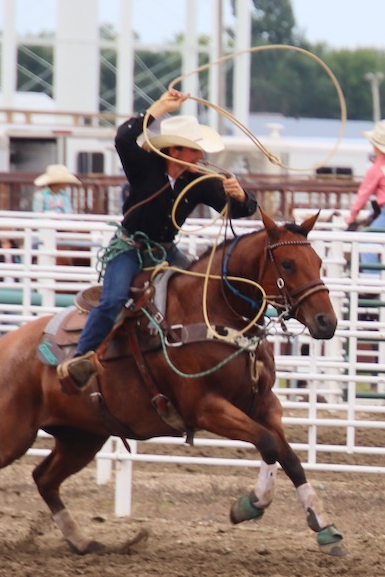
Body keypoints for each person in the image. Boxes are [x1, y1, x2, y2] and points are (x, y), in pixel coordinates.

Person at [58, 89, 259, 389]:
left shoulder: (198, 180)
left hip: (165, 250)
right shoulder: (145, 167)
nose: (201, 156)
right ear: (175, 151)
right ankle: (79, 357)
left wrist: (241, 196)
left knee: (201, 289)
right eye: (194, 150)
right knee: (112, 299)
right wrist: (157, 110)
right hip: (130, 248)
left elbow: (238, 210)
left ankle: (190, 357)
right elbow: (124, 138)